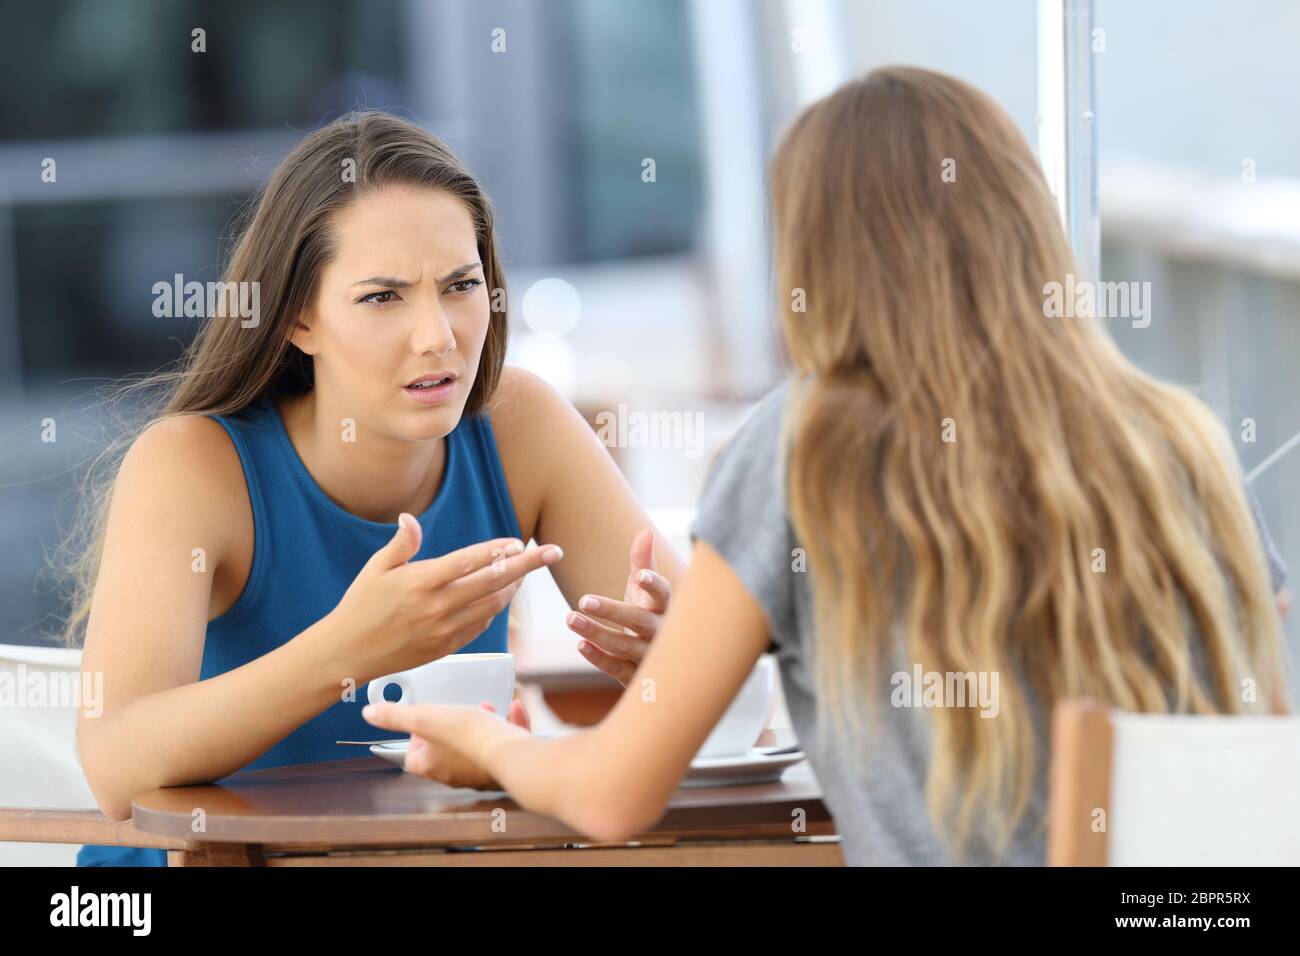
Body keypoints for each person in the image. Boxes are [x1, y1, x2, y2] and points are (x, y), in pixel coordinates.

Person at [365, 66, 1291, 865]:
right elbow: (1256, 763)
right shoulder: (1179, 442)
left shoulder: (809, 448)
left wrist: (491, 746)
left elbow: (614, 795)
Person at [63, 112, 685, 866]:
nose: (438, 335)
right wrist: (349, 650)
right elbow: (113, 766)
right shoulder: (193, 465)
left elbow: (730, 709)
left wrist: (680, 674)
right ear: (298, 318)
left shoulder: (523, 427)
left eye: (460, 286)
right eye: (383, 297)